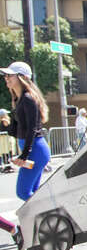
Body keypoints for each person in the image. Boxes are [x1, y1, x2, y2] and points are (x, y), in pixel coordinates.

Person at [1, 61, 52, 201]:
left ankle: (50, 216)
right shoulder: (19, 100)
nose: (6, 78)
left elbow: (32, 129)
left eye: (10, 75)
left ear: (21, 77)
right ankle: (44, 219)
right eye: (5, 75)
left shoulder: (28, 99)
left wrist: (24, 156)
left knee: (23, 192)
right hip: (34, 151)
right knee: (33, 194)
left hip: (35, 151)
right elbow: (17, 130)